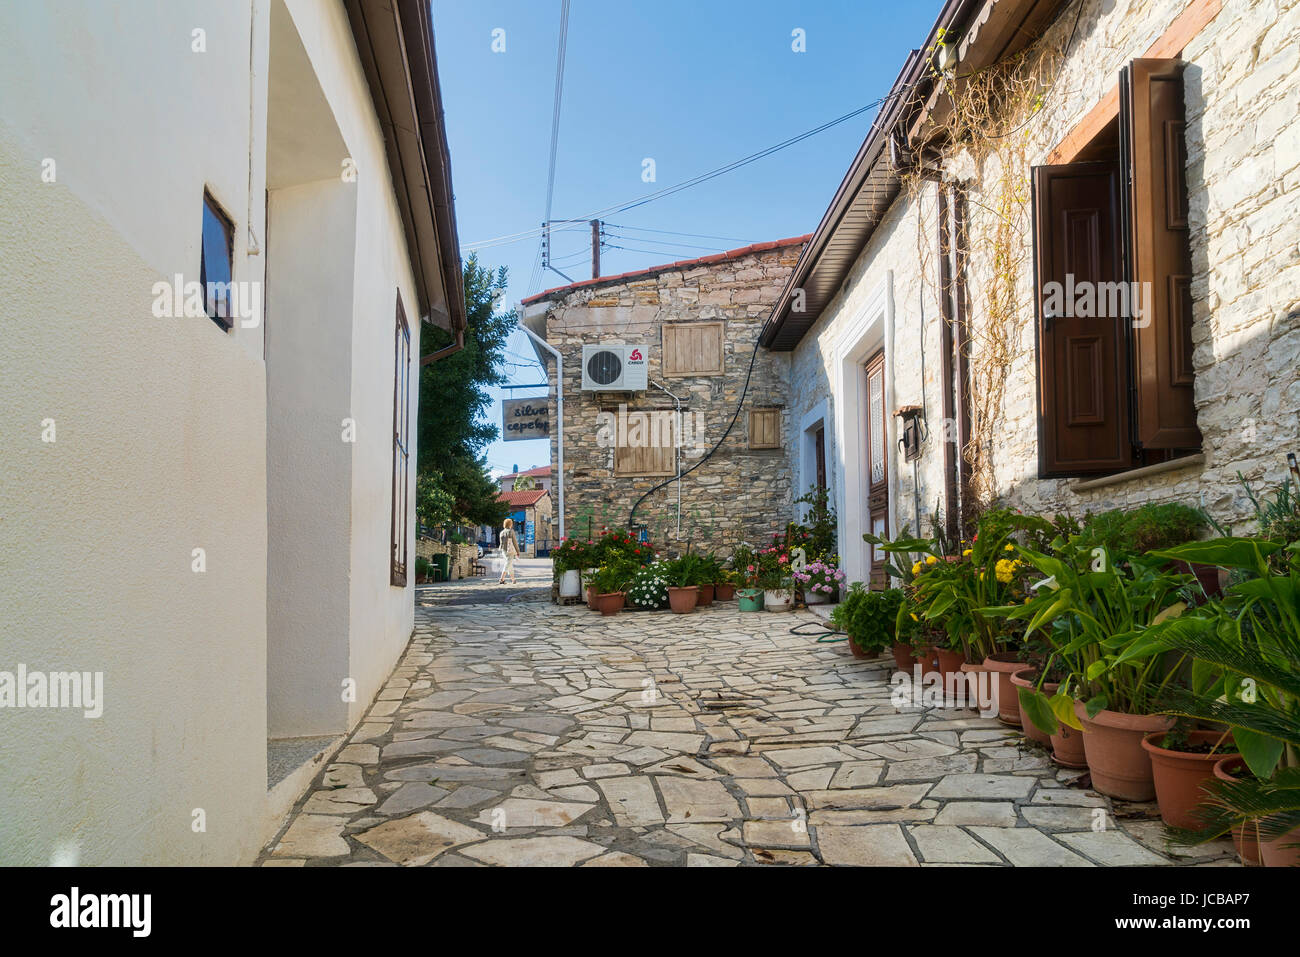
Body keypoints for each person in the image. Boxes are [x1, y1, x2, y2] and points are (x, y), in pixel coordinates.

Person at [497, 518, 520, 584]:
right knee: (508, 564)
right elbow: (514, 542)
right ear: (510, 524)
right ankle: (501, 579)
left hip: (503, 551)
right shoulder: (511, 531)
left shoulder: (501, 532)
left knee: (509, 564)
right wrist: (517, 551)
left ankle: (513, 580)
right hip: (510, 551)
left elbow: (501, 543)